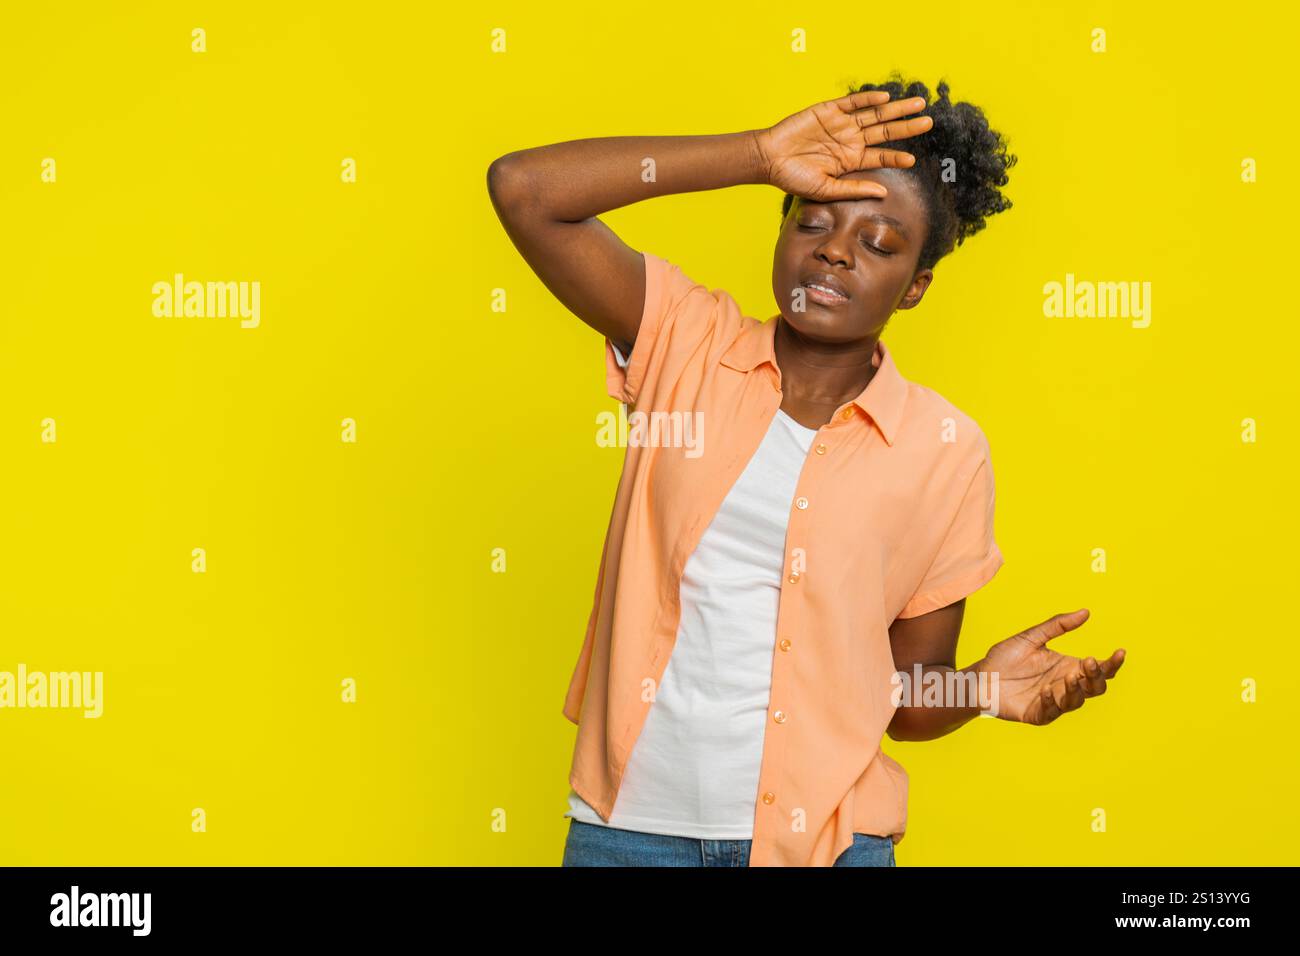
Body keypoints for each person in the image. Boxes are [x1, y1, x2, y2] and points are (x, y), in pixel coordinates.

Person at [487, 73, 1127, 867]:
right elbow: (525, 190)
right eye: (813, 220)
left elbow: (907, 697)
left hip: (829, 845)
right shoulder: (685, 342)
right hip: (631, 836)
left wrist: (982, 691)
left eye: (879, 243)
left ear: (917, 284)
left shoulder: (946, 450)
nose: (834, 249)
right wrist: (758, 154)